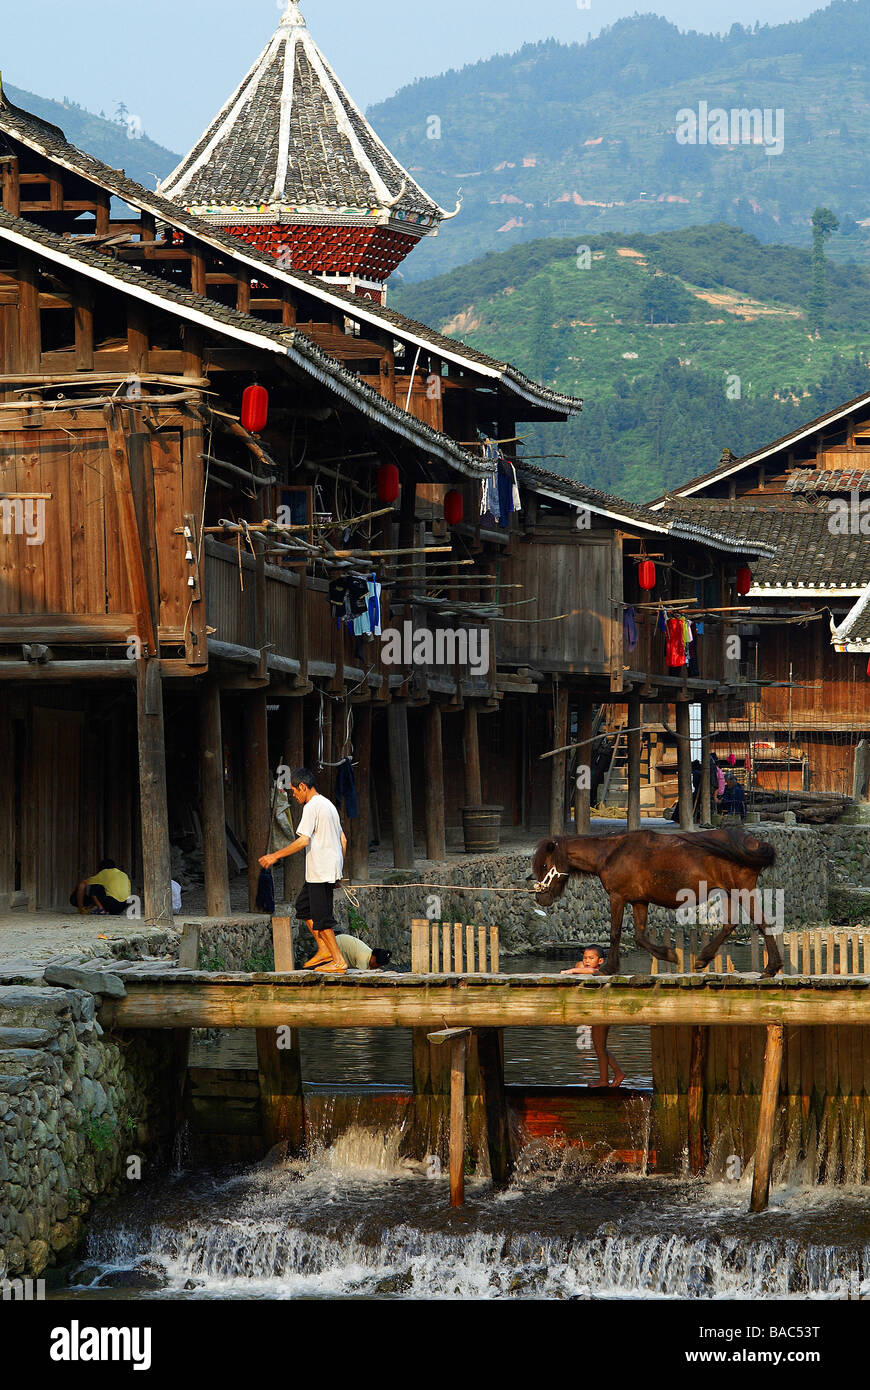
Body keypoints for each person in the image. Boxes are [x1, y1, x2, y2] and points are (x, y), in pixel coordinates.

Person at [259, 768, 349, 973]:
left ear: (302, 786)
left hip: (321, 870)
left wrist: (275, 855)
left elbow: (303, 840)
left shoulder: (312, 806)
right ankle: (324, 949)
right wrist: (338, 869)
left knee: (321, 917)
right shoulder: (328, 805)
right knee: (304, 907)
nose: (294, 795)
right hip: (325, 869)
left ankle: (338, 960)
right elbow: (343, 840)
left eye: (294, 791)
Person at [560, 945, 625, 1088]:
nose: (587, 961)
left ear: (600, 960)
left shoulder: (599, 971)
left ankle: (608, 1078)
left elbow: (590, 970)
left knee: (600, 1048)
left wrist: (570, 971)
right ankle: (615, 1074)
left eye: (591, 958)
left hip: (602, 1012)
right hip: (596, 1012)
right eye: (585, 958)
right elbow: (582, 967)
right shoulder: (584, 968)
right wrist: (578, 967)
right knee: (600, 1048)